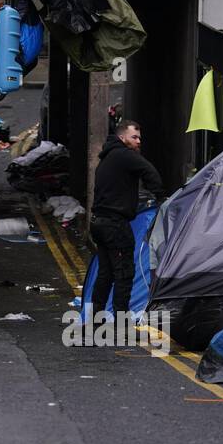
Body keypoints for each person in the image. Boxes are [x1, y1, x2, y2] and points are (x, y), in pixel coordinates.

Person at [89, 118, 167, 321]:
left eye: (140, 137)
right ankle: (121, 323)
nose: (138, 141)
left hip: (99, 222)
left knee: (106, 273)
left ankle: (96, 320)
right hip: (115, 224)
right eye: (134, 137)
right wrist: (160, 196)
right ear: (122, 137)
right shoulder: (125, 155)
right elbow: (149, 171)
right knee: (124, 273)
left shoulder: (107, 157)